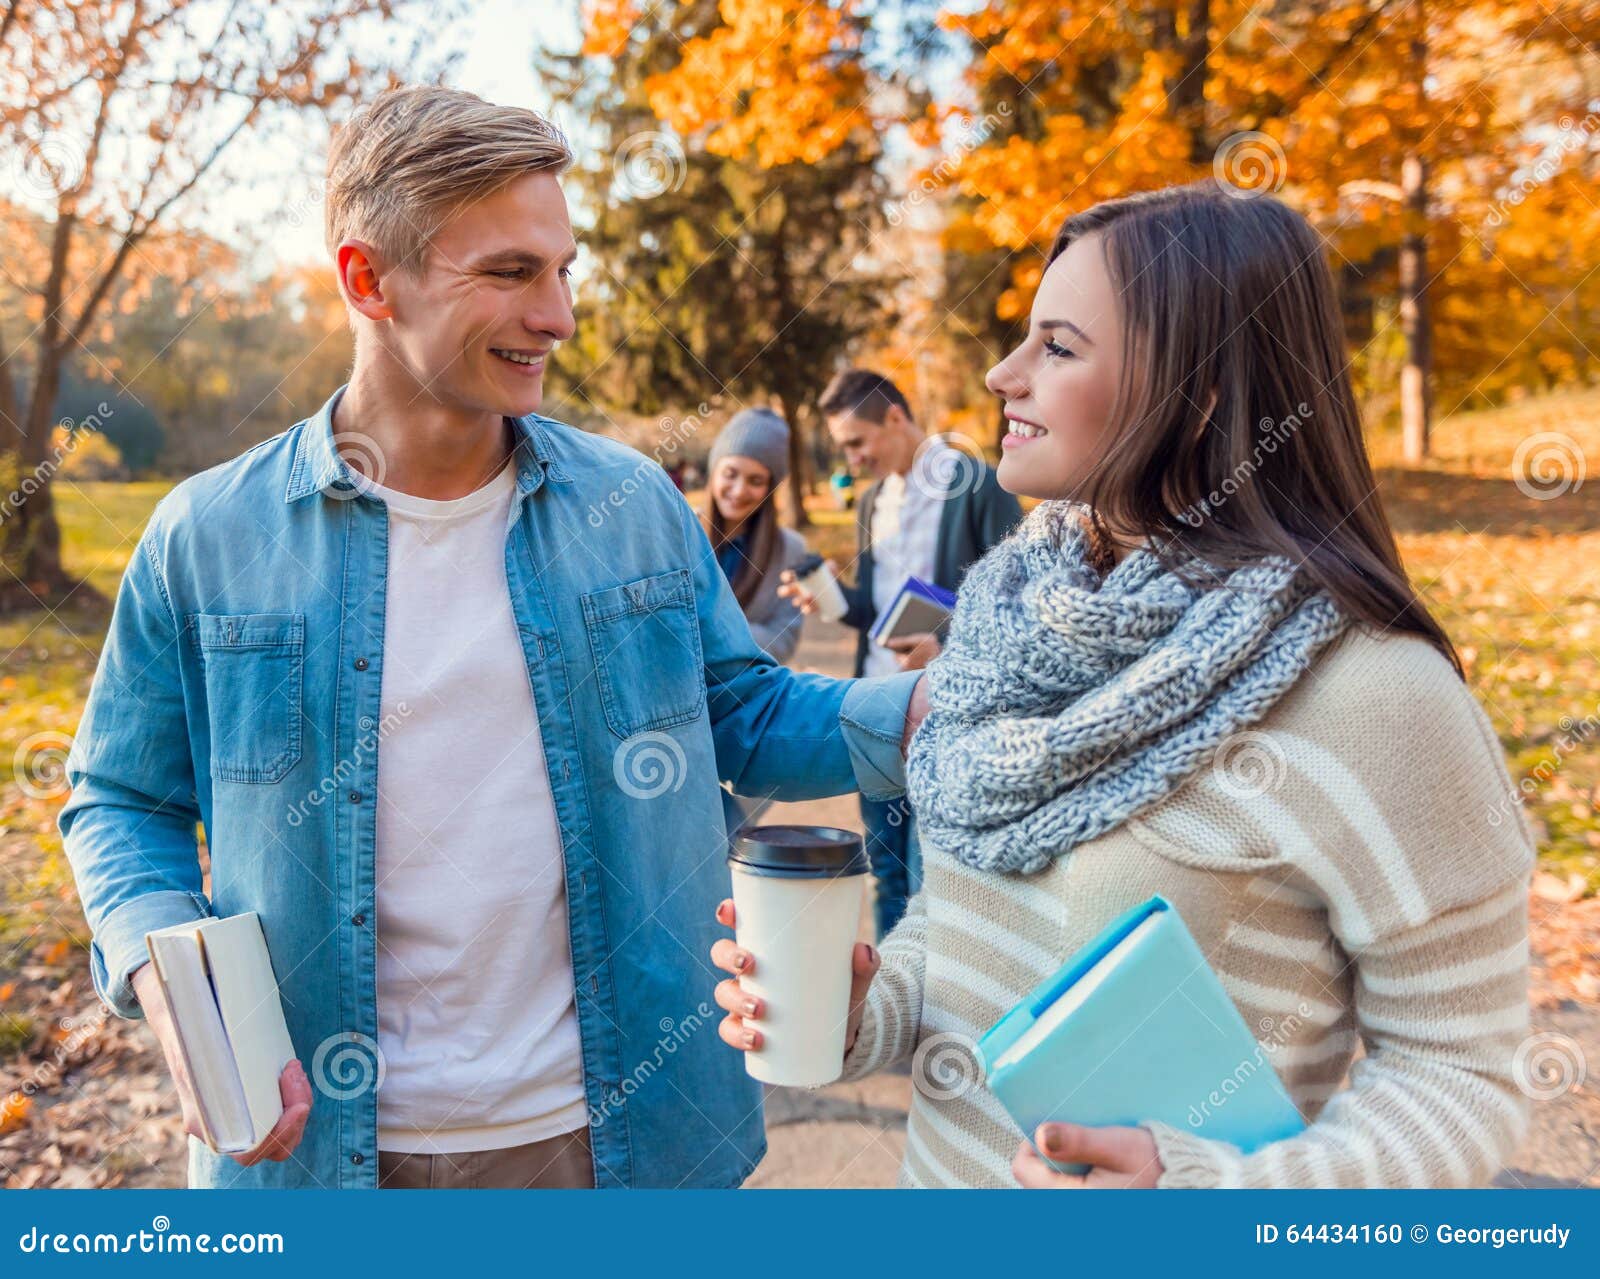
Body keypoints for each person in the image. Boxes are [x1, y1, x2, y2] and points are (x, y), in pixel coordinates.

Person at [60, 85, 926, 1192]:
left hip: (620, 1140)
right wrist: (161, 971)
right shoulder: (208, 535)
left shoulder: (632, 506)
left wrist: (925, 714)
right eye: (511, 273)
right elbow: (119, 798)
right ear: (368, 278)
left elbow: (744, 716)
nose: (559, 315)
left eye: (563, 271)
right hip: (317, 1162)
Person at [713, 182, 1534, 1189]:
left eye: (1058, 348)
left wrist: (1211, 1193)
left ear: (1197, 394)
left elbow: (1463, 1074)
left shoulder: (1374, 690)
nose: (1002, 372)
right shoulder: (1006, 625)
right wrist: (859, 1011)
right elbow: (955, 931)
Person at [780, 369, 1021, 938]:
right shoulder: (870, 503)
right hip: (876, 708)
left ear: (894, 417)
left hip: (947, 712)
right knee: (885, 870)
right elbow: (875, 609)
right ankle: (891, 998)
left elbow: (1016, 599)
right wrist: (832, 602)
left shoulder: (980, 486)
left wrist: (945, 641)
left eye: (856, 443)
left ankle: (932, 1006)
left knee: (930, 877)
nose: (852, 459)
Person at [702, 408, 807, 664]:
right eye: (730, 474)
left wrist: (714, 631)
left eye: (756, 481)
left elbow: (783, 641)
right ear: (714, 471)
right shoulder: (679, 530)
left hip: (743, 695)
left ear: (770, 488)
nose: (739, 491)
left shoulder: (790, 550)